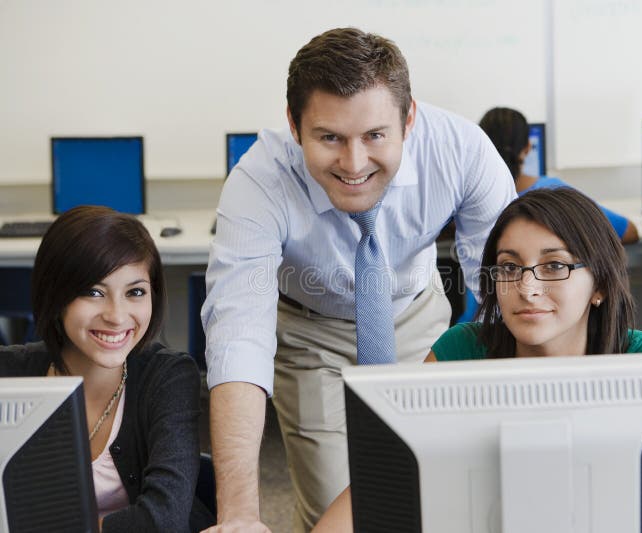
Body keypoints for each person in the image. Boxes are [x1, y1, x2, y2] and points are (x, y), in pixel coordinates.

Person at [201, 27, 516, 532]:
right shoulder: (260, 180)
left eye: (374, 136)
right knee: (341, 511)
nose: (353, 164)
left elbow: (505, 288)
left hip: (419, 318)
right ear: (295, 124)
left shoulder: (459, 151)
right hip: (310, 333)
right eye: (329, 137)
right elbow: (238, 335)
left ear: (408, 117)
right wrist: (238, 516)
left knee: (439, 491)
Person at [312, 187, 642, 532]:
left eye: (555, 265)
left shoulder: (641, 359)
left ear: (600, 285)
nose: (527, 289)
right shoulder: (462, 352)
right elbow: (386, 473)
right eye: (509, 267)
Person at [0, 206, 214, 532]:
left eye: (135, 292)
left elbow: (162, 520)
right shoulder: (11, 372)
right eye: (94, 292)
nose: (117, 315)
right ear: (56, 293)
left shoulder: (168, 377)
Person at [478, 107, 639, 244]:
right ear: (527, 147)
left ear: (481, 148)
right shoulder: (554, 191)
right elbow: (628, 231)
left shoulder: (469, 199)